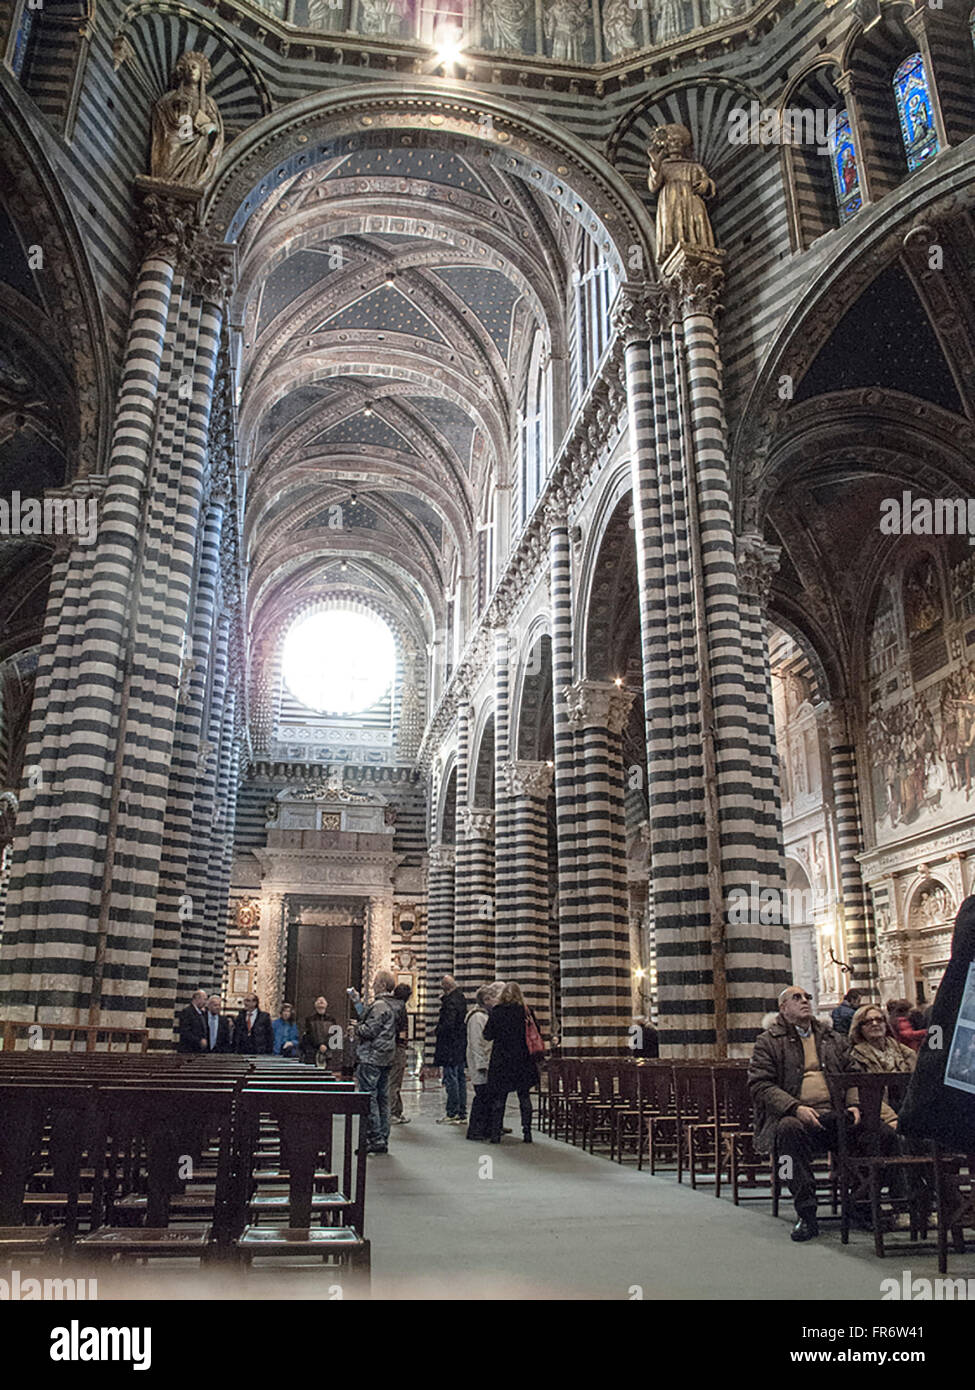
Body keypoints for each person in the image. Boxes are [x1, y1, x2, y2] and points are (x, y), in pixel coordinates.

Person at [748, 984, 865, 1241]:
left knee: (880, 1134)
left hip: (833, 1115)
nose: (804, 1001)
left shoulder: (831, 1038)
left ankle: (864, 1205)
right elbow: (760, 1085)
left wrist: (854, 1102)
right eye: (796, 998)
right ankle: (807, 1212)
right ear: (783, 1007)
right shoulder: (768, 1041)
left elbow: (854, 1073)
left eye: (807, 997)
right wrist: (795, 1107)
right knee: (788, 1134)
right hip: (793, 1118)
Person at [483, 981, 541, 1144]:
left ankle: (495, 1134)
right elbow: (537, 1030)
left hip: (502, 1059)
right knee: (524, 1097)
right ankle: (527, 1133)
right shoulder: (525, 1011)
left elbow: (488, 1034)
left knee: (499, 1098)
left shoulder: (497, 1011)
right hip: (522, 1059)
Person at [351, 971, 399, 1155]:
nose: (372, 985)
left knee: (369, 1097)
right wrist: (357, 1002)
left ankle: (375, 1138)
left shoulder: (379, 1005)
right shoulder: (390, 1005)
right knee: (382, 1098)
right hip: (385, 1056)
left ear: (382, 985)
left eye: (375, 982)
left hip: (372, 1057)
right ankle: (382, 1137)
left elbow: (369, 1030)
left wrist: (355, 1028)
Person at [846, 1005, 916, 1128]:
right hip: (878, 1112)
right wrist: (891, 1119)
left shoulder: (904, 1051)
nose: (874, 1024)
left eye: (879, 1020)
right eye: (868, 1021)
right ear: (859, 1028)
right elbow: (863, 1096)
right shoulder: (855, 1056)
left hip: (907, 1107)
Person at [466, 982, 504, 1141]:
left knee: (486, 1097)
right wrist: (482, 1064)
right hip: (480, 1064)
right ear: (487, 999)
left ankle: (486, 1128)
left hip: (487, 1062)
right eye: (494, 998)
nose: (496, 1001)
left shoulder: (485, 1015)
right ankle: (475, 1130)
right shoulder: (477, 1017)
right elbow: (477, 1043)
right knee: (481, 1098)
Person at [433, 974, 468, 1123]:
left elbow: (449, 1023)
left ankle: (452, 1112)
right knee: (460, 1078)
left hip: (450, 1046)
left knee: (451, 1078)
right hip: (459, 1045)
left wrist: (438, 1030)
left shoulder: (451, 1001)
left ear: (445, 987)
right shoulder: (461, 998)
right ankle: (461, 1112)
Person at [388, 983, 412, 1124]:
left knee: (396, 1081)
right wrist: (402, 1043)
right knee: (394, 1081)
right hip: (397, 1048)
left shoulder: (390, 1005)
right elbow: (401, 1029)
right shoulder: (400, 1007)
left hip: (392, 1046)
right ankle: (391, 1113)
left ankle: (397, 1110)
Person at [301, 995, 336, 1066]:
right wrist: (319, 1045)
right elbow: (309, 1035)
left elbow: (334, 1035)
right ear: (315, 1006)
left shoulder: (331, 1020)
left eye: (323, 1002)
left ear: (326, 1005)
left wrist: (326, 1045)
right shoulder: (309, 1020)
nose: (321, 1003)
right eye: (319, 1001)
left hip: (328, 1051)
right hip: (313, 1052)